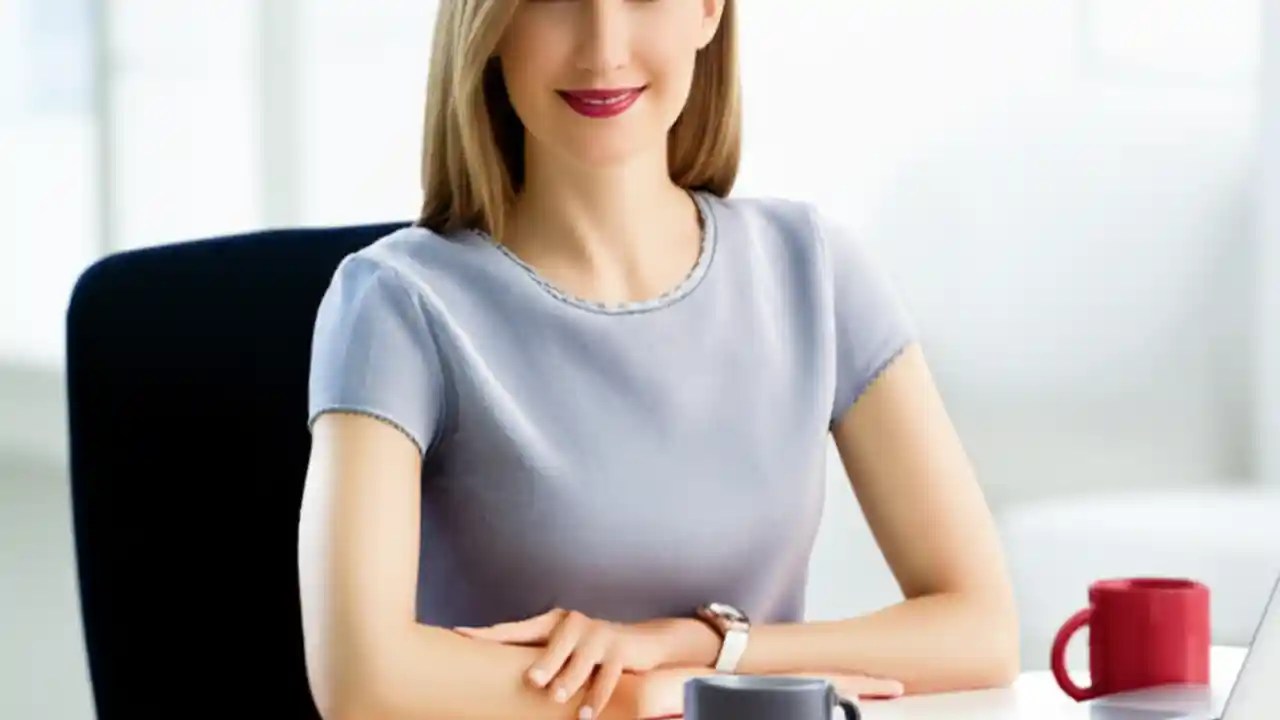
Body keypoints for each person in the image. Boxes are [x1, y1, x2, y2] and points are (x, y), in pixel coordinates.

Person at [297, 1, 1019, 719]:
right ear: (489, 26)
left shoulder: (815, 268)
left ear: (709, 10)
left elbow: (980, 629)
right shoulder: (396, 304)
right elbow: (361, 678)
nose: (603, 47)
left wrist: (699, 648)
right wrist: (644, 696)